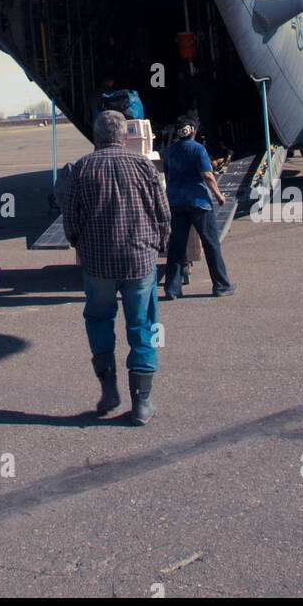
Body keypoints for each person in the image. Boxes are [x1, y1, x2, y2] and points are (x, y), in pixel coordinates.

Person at [62, 111, 171, 425]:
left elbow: (70, 219)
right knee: (144, 326)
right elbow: (163, 213)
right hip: (139, 263)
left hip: (97, 265)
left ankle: (108, 391)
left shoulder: (82, 167)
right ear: (125, 138)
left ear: (96, 138)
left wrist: (80, 245)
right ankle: (142, 402)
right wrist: (158, 245)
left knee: (98, 320)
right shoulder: (142, 166)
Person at [162, 117, 235, 300]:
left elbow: (168, 174)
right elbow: (207, 175)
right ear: (193, 131)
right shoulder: (198, 149)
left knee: (177, 246)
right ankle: (221, 285)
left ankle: (172, 289)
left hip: (176, 201)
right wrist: (219, 196)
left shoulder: (170, 151)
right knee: (211, 243)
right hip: (198, 202)